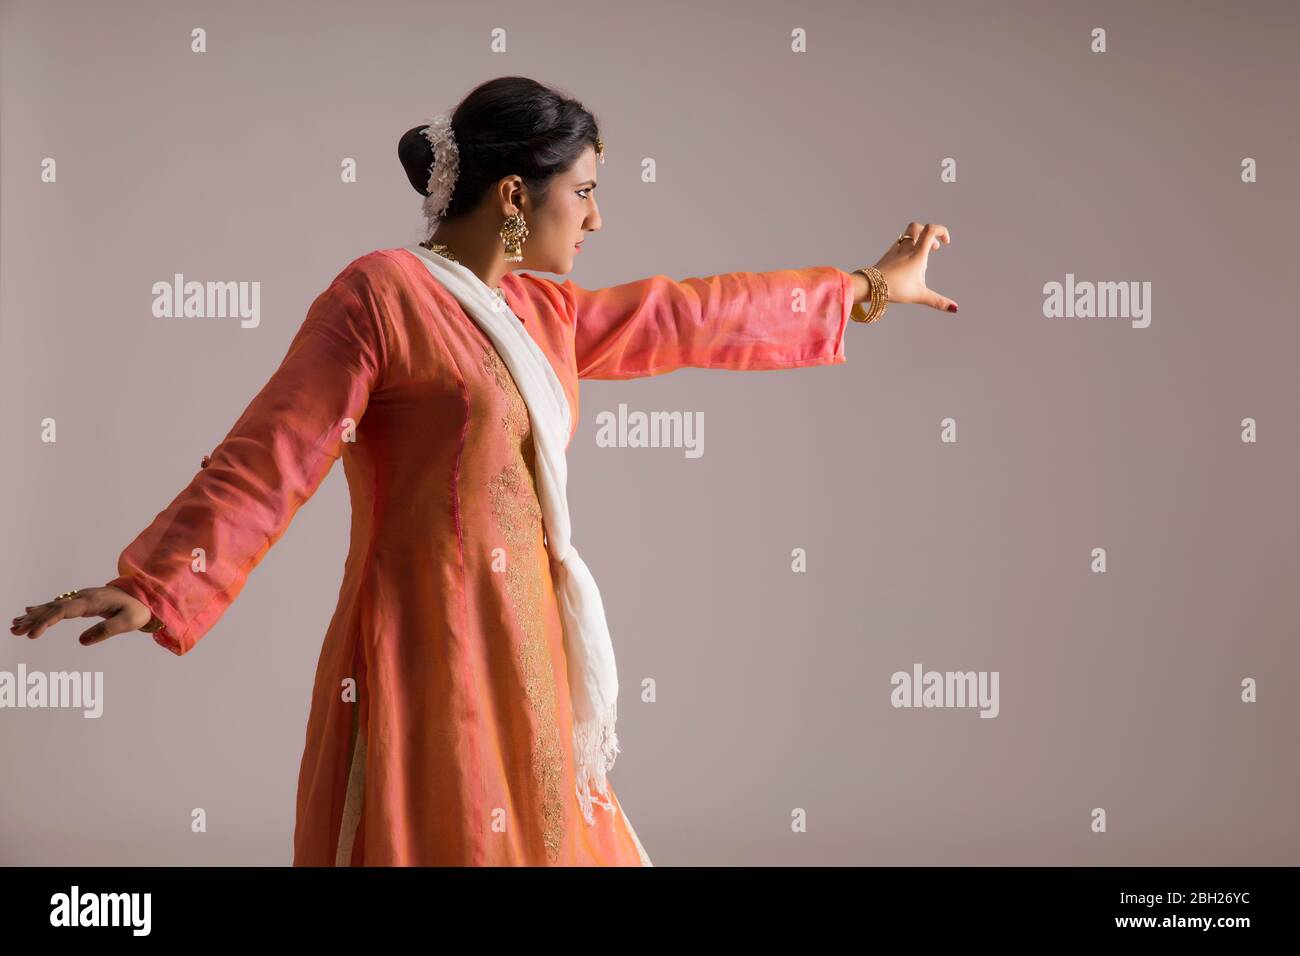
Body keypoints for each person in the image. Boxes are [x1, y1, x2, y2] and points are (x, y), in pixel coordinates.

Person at [9, 75, 957, 866]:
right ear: (513, 196)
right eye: (582, 190)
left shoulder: (544, 314)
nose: (596, 215)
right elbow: (276, 447)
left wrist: (868, 288)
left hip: (530, 638)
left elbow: (690, 315)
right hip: (425, 636)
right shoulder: (380, 295)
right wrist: (158, 583)